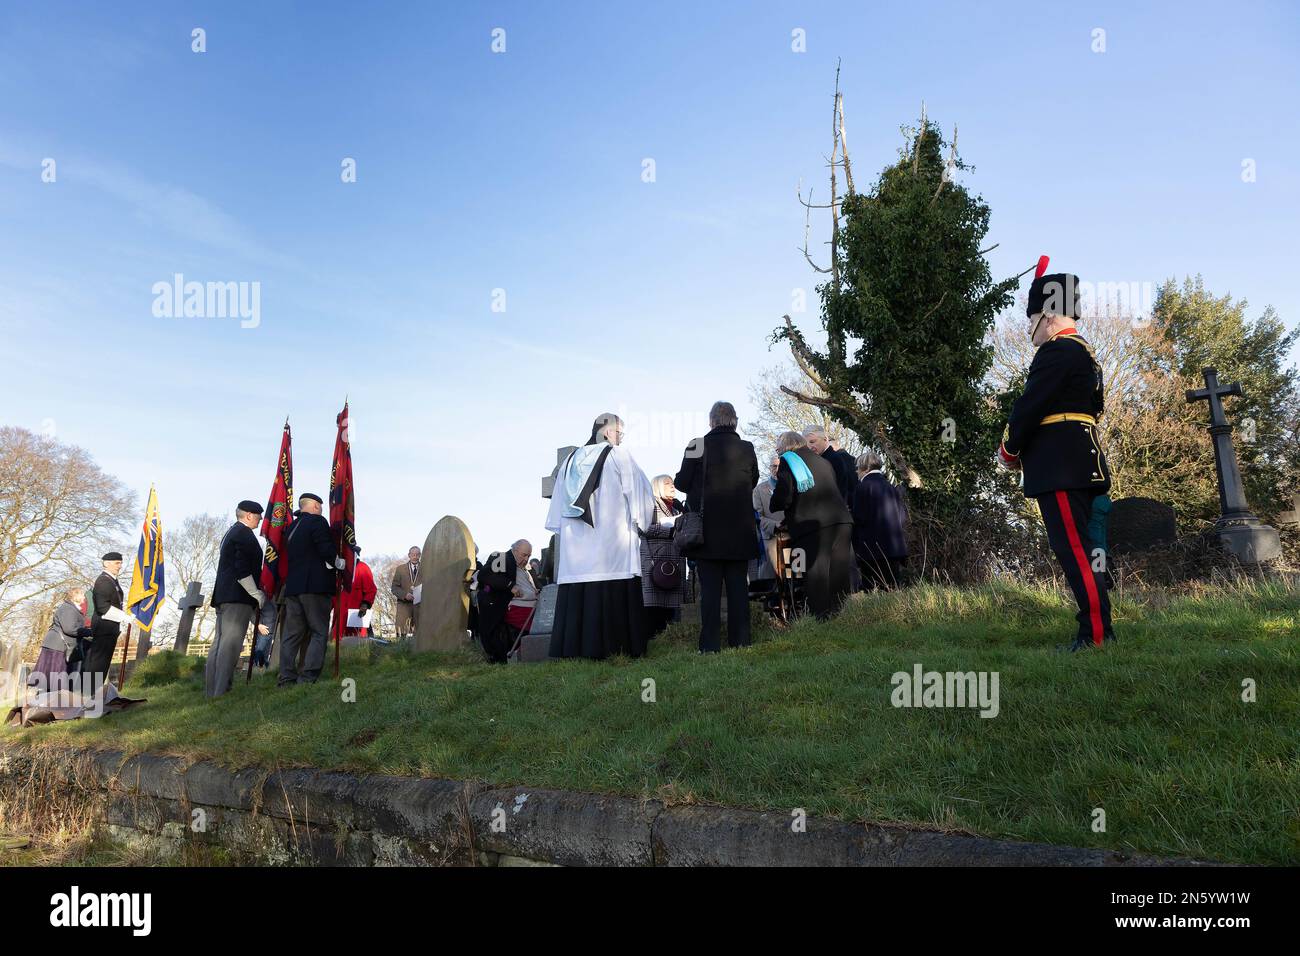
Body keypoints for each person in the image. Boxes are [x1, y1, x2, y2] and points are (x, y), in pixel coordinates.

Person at [998, 269, 1114, 652]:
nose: (1030, 328)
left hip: (1061, 464)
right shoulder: (1084, 353)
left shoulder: (1057, 351)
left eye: (1031, 320)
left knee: (1074, 550)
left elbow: (1030, 407)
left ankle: (1094, 634)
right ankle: (1100, 629)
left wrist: (1009, 450)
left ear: (1047, 316)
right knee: (1083, 548)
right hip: (1081, 459)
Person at [545, 412, 656, 659]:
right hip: (612, 549)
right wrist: (643, 520)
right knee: (615, 582)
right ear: (608, 432)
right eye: (620, 433)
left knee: (580, 589)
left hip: (577, 553)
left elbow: (556, 512)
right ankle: (619, 647)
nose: (621, 440)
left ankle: (574, 650)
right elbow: (639, 493)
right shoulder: (618, 456)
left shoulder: (569, 462)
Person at [674, 401, 760, 652]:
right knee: (738, 589)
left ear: (711, 421)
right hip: (740, 530)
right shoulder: (747, 447)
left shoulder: (696, 445)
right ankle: (741, 641)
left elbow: (681, 483)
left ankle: (710, 645)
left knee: (709, 592)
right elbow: (753, 480)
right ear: (735, 421)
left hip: (706, 531)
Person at [769, 431, 853, 620]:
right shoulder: (823, 461)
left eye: (778, 448)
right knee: (838, 573)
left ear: (785, 447)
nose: (778, 452)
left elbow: (785, 494)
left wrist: (774, 504)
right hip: (841, 521)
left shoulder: (789, 461)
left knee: (816, 573)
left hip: (812, 526)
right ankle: (843, 617)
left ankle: (820, 620)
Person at [279, 493, 344, 685]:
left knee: (291, 635)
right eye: (320, 506)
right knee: (318, 631)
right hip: (315, 587)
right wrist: (339, 563)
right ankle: (308, 677)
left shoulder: (292, 527)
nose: (322, 510)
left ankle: (286, 678)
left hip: (293, 588)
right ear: (315, 506)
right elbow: (324, 548)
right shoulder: (317, 521)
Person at [206, 500, 267, 697]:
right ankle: (221, 691)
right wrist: (255, 593)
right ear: (249, 515)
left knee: (219, 645)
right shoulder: (244, 534)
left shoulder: (231, 532)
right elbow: (241, 568)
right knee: (230, 646)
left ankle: (212, 691)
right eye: (258, 516)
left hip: (224, 596)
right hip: (238, 597)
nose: (260, 520)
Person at [851, 452, 909, 589]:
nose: (857, 472)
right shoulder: (891, 487)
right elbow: (902, 517)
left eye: (858, 468)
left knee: (872, 591)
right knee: (892, 590)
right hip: (894, 548)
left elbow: (859, 517)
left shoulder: (862, 487)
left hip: (871, 550)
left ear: (864, 468)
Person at [476, 540, 537, 663]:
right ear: (514, 551)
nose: (526, 559)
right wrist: (510, 585)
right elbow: (484, 575)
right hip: (507, 609)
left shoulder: (524, 567)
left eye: (528, 556)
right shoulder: (503, 558)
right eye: (524, 555)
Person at [30, 588, 91, 688]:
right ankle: (47, 701)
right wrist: (88, 632)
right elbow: (69, 629)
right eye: (82, 595)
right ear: (75, 596)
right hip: (56, 647)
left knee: (53, 681)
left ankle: (50, 701)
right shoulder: (68, 608)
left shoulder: (72, 608)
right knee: (53, 681)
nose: (84, 597)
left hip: (60, 646)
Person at [83, 551, 126, 683]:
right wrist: (123, 616)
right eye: (116, 563)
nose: (119, 566)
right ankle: (88, 696)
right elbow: (103, 608)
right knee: (97, 665)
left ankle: (94, 695)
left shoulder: (112, 581)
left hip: (110, 628)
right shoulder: (103, 581)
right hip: (104, 628)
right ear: (106, 564)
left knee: (102, 667)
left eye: (120, 563)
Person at [752, 455, 785, 582]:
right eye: (774, 466)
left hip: (791, 538)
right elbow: (757, 517)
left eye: (779, 466)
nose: (777, 469)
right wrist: (775, 524)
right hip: (770, 539)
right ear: (770, 468)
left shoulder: (792, 487)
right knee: (770, 581)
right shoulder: (759, 490)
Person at [804, 427, 857, 504]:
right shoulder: (819, 459)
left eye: (812, 442)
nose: (809, 447)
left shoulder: (835, 459)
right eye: (806, 444)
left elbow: (843, 487)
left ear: (825, 439)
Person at [340, 546, 376, 637]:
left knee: (358, 640)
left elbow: (371, 589)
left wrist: (365, 604)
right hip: (341, 614)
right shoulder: (340, 569)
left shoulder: (362, 568)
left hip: (357, 613)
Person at [390, 547, 421, 638]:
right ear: (409, 555)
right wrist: (404, 595)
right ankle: (400, 650)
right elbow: (394, 587)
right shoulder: (400, 569)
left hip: (420, 606)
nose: (415, 557)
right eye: (413, 554)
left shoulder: (425, 568)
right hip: (404, 605)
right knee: (401, 634)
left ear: (420, 555)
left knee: (419, 634)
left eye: (417, 554)